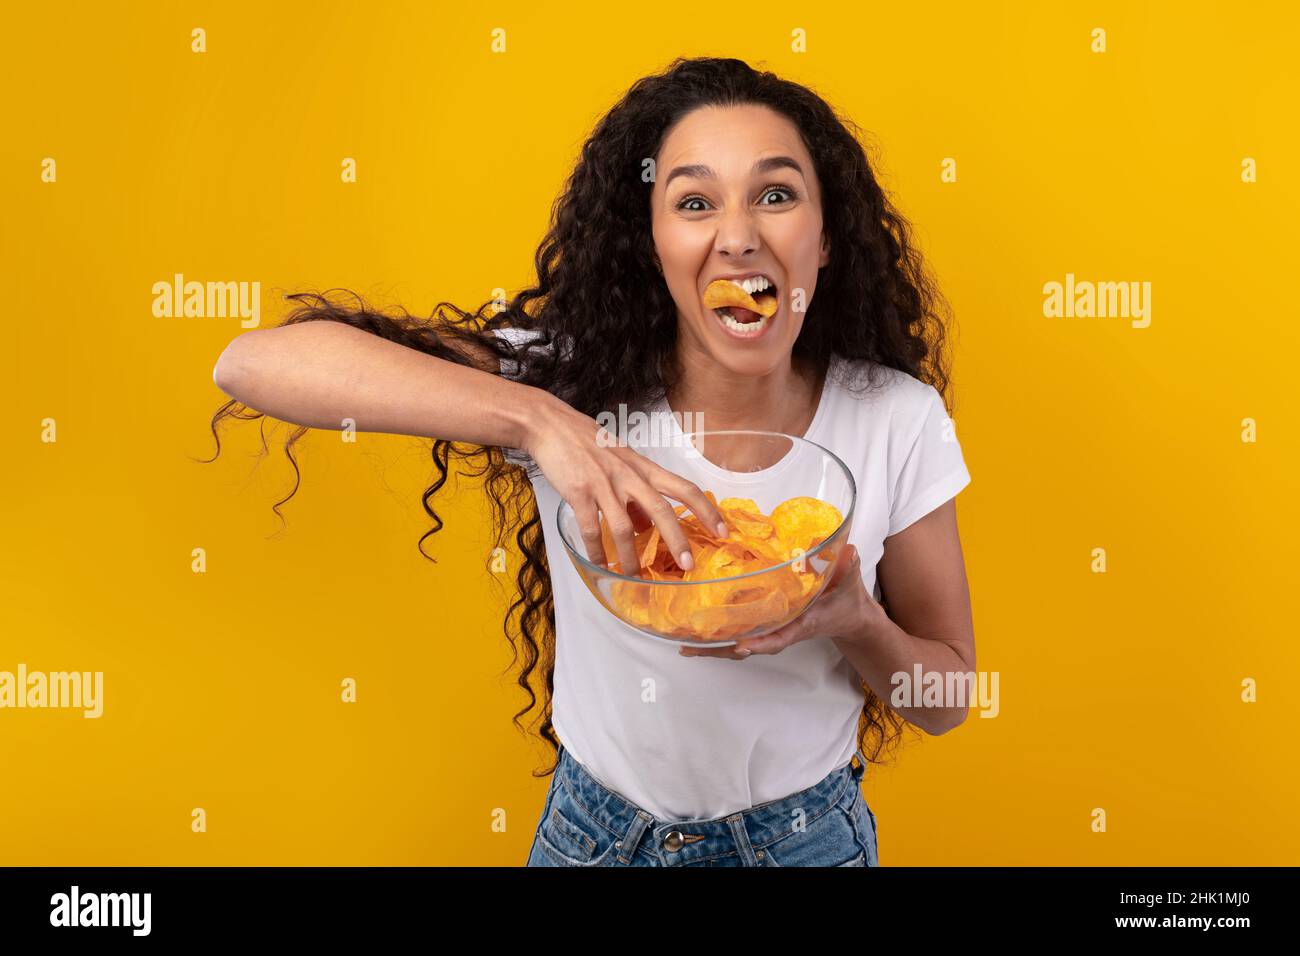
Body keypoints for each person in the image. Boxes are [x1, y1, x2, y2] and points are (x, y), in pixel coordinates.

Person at [206, 56, 975, 867]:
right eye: (694, 202)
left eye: (776, 195)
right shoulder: (575, 382)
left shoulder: (895, 418)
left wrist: (856, 621)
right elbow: (252, 363)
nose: (740, 234)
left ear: (825, 241)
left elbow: (948, 698)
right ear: (652, 245)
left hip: (806, 844)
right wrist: (542, 421)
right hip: (596, 839)